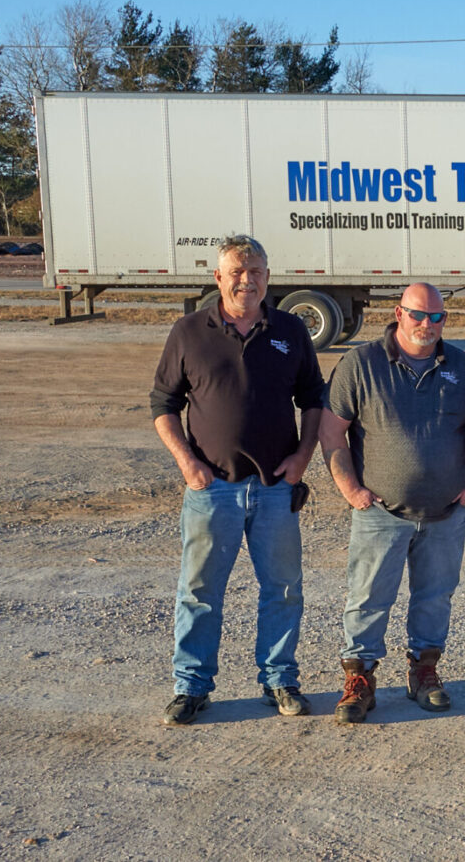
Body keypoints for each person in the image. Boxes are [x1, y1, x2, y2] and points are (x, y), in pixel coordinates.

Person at [150, 235, 324, 725]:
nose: (248, 280)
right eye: (238, 272)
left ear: (268, 276)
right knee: (200, 590)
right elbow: (164, 404)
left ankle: (279, 680)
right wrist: (187, 463)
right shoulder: (189, 332)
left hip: (274, 489)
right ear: (219, 277)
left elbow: (314, 398)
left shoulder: (289, 329)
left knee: (284, 589)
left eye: (257, 272)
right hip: (212, 490)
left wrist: (302, 459)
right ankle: (191, 687)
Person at [320, 283, 465, 724]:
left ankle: (425, 671)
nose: (427, 324)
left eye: (437, 317)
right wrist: (351, 490)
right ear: (399, 313)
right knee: (368, 597)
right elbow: (331, 432)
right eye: (418, 315)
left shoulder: (462, 367)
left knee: (435, 597)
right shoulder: (361, 364)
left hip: (445, 513)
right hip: (381, 513)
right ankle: (360, 678)